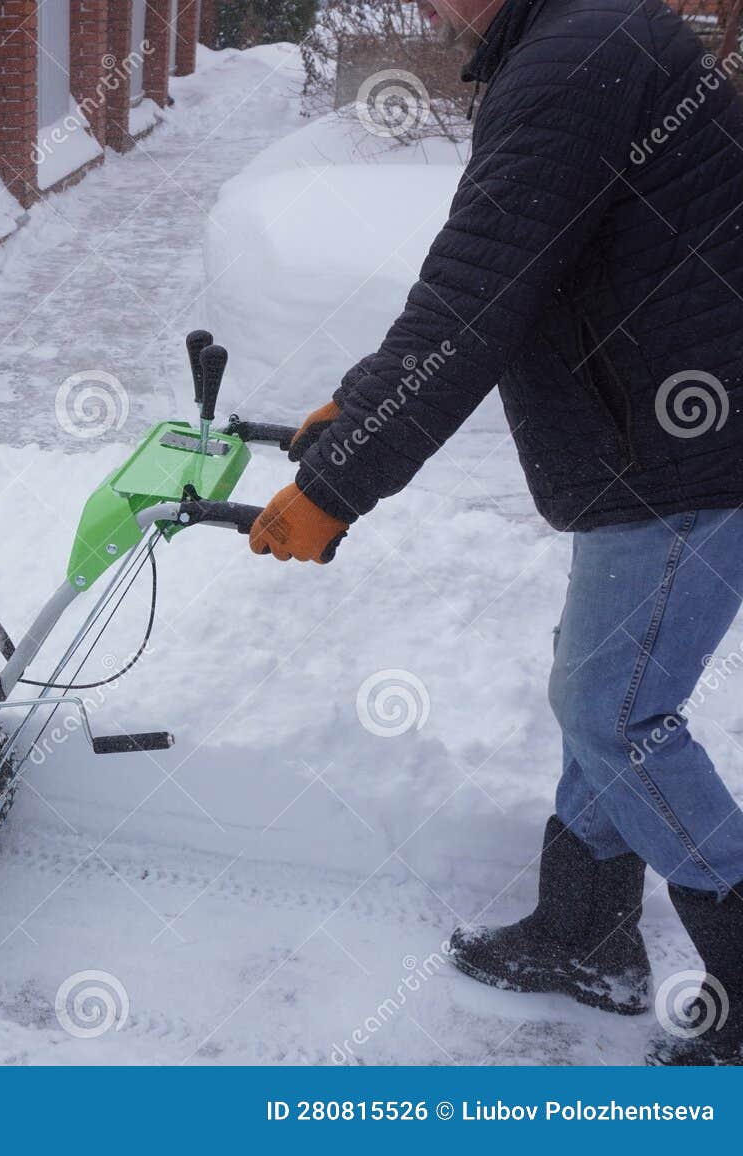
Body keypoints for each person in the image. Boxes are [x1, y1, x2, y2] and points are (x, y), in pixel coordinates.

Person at [247, 0, 743, 1064]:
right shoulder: (587, 38)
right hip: (663, 429)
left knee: (616, 712)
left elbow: (476, 297)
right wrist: (357, 403)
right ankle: (586, 932)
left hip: (681, 448)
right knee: (599, 689)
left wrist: (342, 479)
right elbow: (500, 272)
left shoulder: (574, 61)